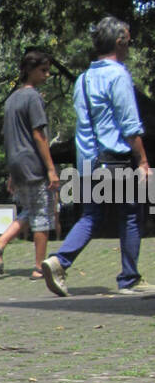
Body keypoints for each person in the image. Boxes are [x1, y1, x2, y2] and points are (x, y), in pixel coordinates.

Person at [42, 17, 154, 297]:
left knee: (91, 216)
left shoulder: (83, 79)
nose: (130, 44)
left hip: (88, 161)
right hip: (115, 159)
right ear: (119, 42)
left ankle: (59, 260)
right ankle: (129, 278)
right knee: (131, 215)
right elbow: (129, 125)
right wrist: (142, 161)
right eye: (128, 39)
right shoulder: (118, 75)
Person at [0, 49, 59, 279]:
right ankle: (39, 268)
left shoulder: (11, 99)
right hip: (33, 162)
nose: (47, 75)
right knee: (42, 214)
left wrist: (11, 173)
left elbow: (9, 137)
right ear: (30, 71)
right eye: (43, 70)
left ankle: (0, 244)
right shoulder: (33, 97)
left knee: (30, 209)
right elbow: (39, 135)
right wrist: (50, 168)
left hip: (17, 163)